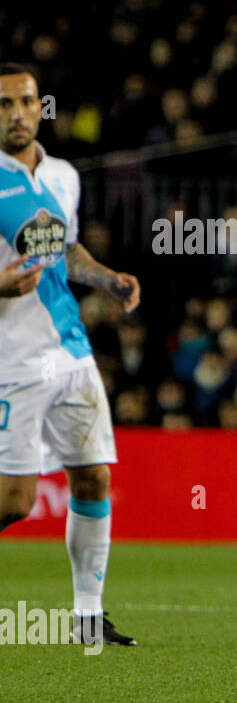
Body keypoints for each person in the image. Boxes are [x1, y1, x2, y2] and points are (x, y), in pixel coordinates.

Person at [0, 63, 141, 646]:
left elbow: (67, 247)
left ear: (40, 107)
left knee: (92, 478)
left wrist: (107, 279)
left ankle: (88, 615)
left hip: (72, 353)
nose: (15, 114)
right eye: (3, 105)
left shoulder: (63, 176)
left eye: (25, 102)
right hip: (13, 360)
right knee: (16, 499)